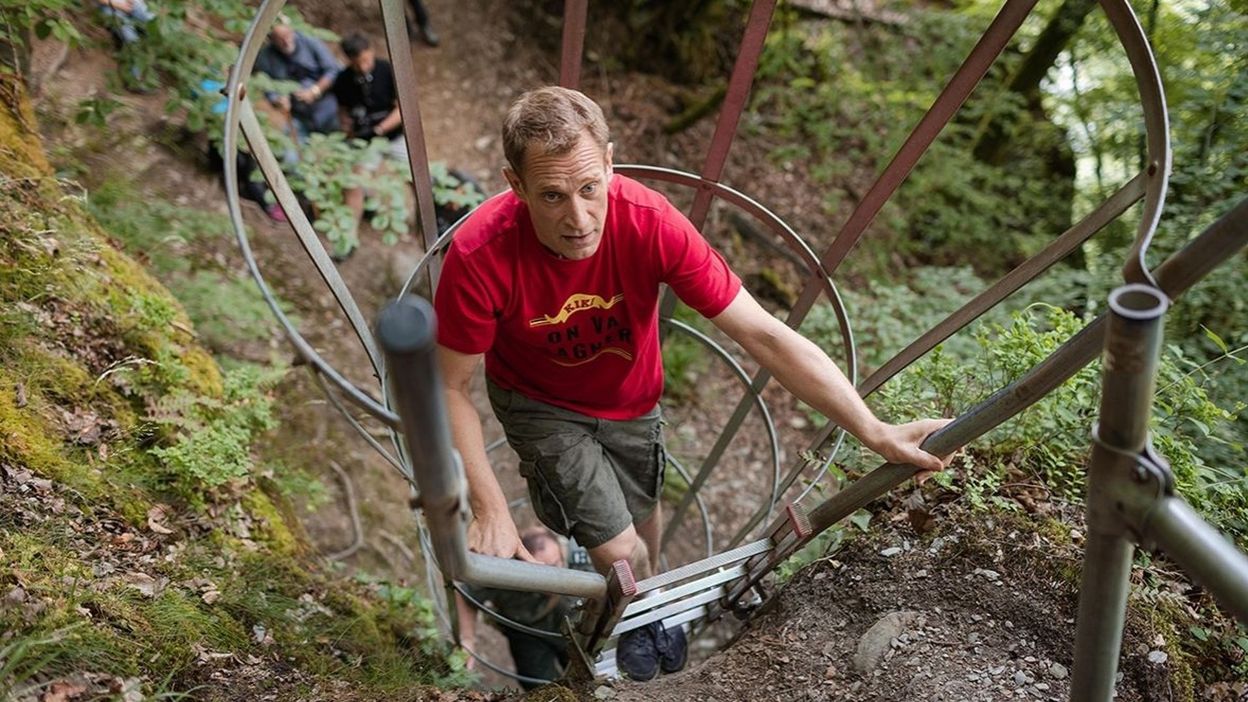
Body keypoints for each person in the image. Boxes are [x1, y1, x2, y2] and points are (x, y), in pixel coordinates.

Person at [433, 86, 954, 682]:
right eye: (551, 196)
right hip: (540, 403)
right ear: (515, 184)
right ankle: (626, 608)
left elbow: (766, 336)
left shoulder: (650, 223)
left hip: (632, 398)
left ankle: (646, 599)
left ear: (609, 163)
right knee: (616, 547)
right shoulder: (481, 254)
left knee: (645, 514)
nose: (577, 219)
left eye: (588, 188)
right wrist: (490, 505)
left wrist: (873, 429)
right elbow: (451, 388)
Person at [456, 527, 592, 689]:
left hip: (573, 629)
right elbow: (466, 593)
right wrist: (468, 639)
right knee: (541, 688)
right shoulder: (503, 569)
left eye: (557, 564)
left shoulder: (578, 554)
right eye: (544, 572)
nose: (554, 576)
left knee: (585, 680)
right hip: (525, 632)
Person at [330, 33, 408, 259]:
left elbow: (403, 109)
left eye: (365, 61)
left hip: (393, 136)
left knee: (418, 177)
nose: (363, 68)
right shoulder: (343, 80)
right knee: (353, 183)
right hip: (365, 141)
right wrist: (349, 129)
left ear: (371, 51)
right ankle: (349, 238)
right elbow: (343, 112)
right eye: (357, 64)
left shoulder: (387, 70)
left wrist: (379, 129)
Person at [254, 17, 342, 139]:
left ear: (292, 31)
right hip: (297, 113)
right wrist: (277, 100)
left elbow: (332, 69)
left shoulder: (309, 41)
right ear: (271, 40)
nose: (285, 41)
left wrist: (315, 91)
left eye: (287, 35)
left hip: (326, 105)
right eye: (280, 39)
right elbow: (267, 85)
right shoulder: (266, 57)